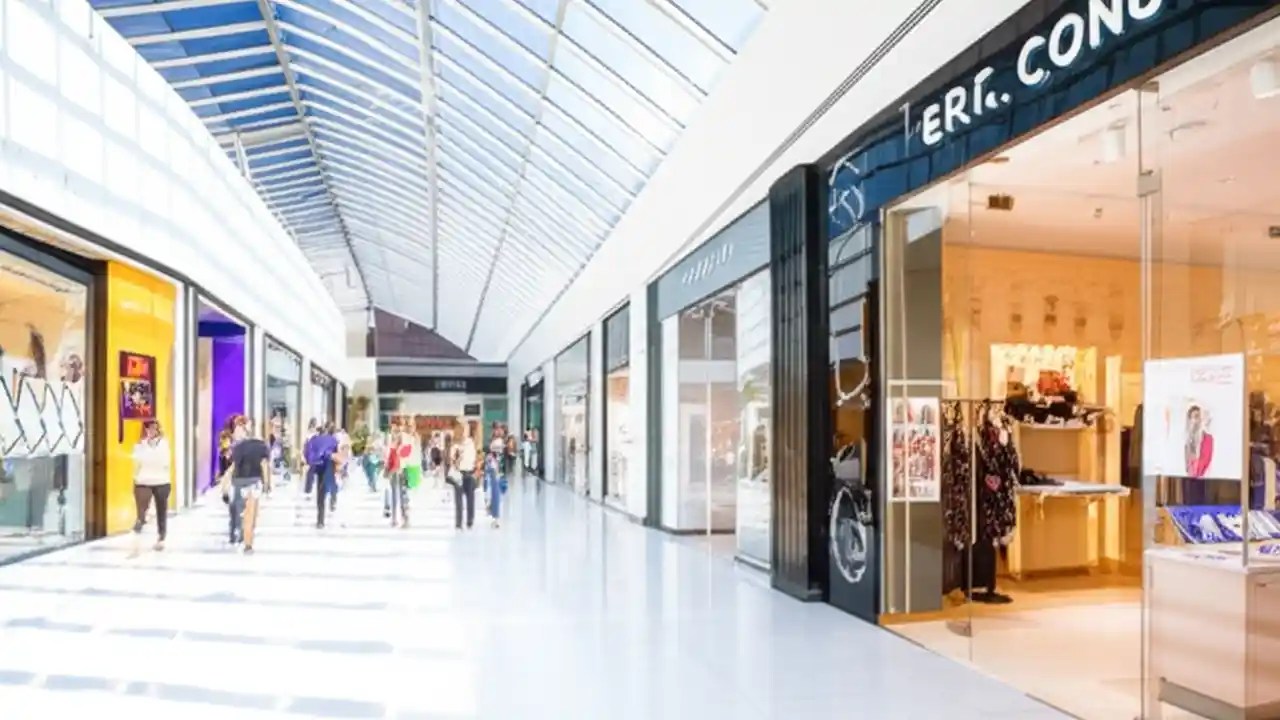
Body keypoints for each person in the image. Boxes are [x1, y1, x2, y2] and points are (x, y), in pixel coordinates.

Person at [225, 421, 269, 554]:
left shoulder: (237, 447)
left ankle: (239, 534)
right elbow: (264, 465)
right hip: (254, 481)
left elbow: (232, 466)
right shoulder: (261, 446)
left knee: (240, 511)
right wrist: (267, 483)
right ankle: (248, 542)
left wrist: (225, 484)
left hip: (239, 481)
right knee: (251, 513)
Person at [131, 420, 171, 552]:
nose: (151, 431)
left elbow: (164, 461)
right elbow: (137, 461)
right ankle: (141, 520)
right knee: (142, 504)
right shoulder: (140, 445)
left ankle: (161, 537)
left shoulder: (164, 444)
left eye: (154, 428)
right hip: (143, 480)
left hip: (161, 481)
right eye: (149, 429)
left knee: (161, 510)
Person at [304, 422, 339, 528]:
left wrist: (310, 462)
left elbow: (307, 452)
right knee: (330, 485)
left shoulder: (313, 440)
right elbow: (336, 452)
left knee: (320, 493)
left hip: (317, 465)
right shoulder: (332, 439)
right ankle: (333, 500)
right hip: (328, 464)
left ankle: (320, 520)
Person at [384, 426, 411, 527]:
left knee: (400, 496)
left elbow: (398, 461)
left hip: (398, 473)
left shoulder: (399, 447)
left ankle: (401, 518)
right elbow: (390, 461)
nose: (394, 435)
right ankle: (398, 518)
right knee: (397, 496)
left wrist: (390, 471)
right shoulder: (395, 447)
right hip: (397, 472)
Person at [453, 427, 478, 530]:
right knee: (458, 500)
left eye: (465, 430)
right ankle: (459, 522)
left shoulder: (472, 444)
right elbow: (452, 459)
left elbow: (475, 458)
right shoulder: (456, 445)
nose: (463, 433)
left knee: (470, 499)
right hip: (458, 473)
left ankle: (470, 520)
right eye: (461, 430)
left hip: (469, 473)